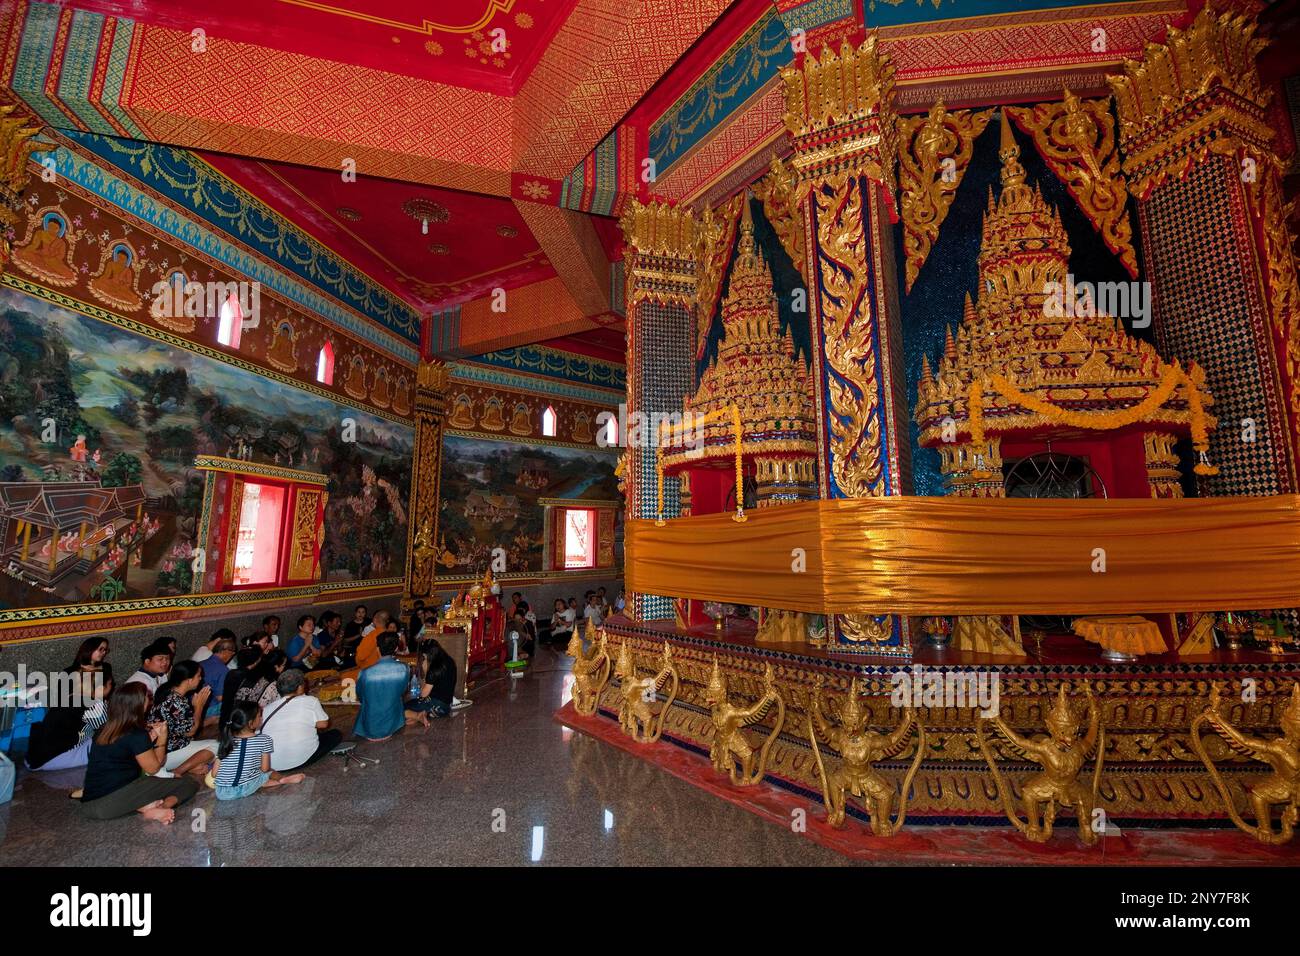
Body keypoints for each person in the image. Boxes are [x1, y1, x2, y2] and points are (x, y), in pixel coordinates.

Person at [79, 683, 199, 823]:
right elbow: (154, 768)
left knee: (147, 784)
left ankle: (144, 806)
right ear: (140, 704)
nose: (149, 700)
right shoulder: (136, 734)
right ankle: (162, 806)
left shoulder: (104, 729)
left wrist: (148, 739)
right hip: (110, 803)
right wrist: (162, 738)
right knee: (188, 783)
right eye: (147, 697)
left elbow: (122, 752)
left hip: (89, 804)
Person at [212, 701, 304, 800]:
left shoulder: (225, 740)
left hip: (222, 793)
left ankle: (260, 782)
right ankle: (281, 780)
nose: (261, 718)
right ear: (251, 723)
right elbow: (265, 769)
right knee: (267, 772)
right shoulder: (264, 739)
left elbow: (214, 773)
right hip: (245, 788)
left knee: (252, 775)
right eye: (259, 716)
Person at [25, 666, 109, 772]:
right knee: (111, 741)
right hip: (48, 759)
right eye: (110, 684)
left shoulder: (70, 697)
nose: (113, 687)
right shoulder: (95, 704)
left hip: (33, 757)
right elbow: (111, 728)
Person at [148, 661, 218, 778]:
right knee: (217, 746)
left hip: (169, 748)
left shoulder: (169, 692)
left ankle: (193, 767)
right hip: (164, 754)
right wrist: (199, 706)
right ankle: (179, 770)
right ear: (189, 680)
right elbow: (191, 731)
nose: (201, 679)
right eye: (198, 676)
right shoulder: (176, 702)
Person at [260, 669, 342, 770]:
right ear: (299, 688)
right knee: (336, 734)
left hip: (272, 764)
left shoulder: (266, 709)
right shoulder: (310, 700)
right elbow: (323, 724)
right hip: (302, 760)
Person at [353, 632, 410, 741]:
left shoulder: (365, 673)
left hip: (369, 724)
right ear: (396, 649)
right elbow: (403, 691)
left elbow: (360, 696)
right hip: (394, 721)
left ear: (377, 649)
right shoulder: (404, 668)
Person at [404, 640, 468, 723]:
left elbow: (423, 694)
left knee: (401, 708)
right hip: (446, 706)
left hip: (436, 707)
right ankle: (420, 715)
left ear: (427, 654)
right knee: (412, 707)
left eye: (424, 656)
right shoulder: (449, 660)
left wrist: (426, 671)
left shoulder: (434, 668)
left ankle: (418, 716)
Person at [220, 647, 267, 730]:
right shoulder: (252, 678)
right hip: (241, 720)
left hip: (225, 716)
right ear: (255, 662)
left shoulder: (231, 673)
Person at [198, 636, 237, 727]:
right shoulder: (223, 670)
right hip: (208, 709)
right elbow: (221, 697)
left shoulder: (201, 663)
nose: (231, 657)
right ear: (226, 652)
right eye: (232, 654)